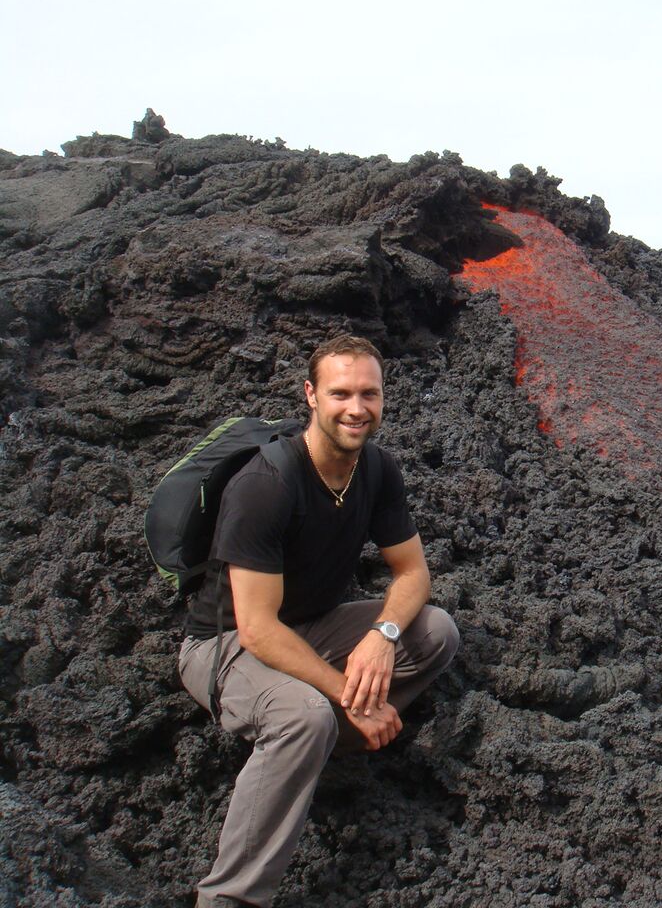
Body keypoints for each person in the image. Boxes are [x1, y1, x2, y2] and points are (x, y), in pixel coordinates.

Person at [177, 335, 460, 908]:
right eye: (340, 393)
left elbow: (411, 575)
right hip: (223, 644)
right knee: (306, 715)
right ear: (311, 396)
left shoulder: (376, 469)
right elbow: (256, 628)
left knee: (434, 631)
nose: (357, 408)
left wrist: (381, 638)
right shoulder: (268, 484)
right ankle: (229, 898)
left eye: (369, 394)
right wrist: (348, 693)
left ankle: (329, 751)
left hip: (310, 624)